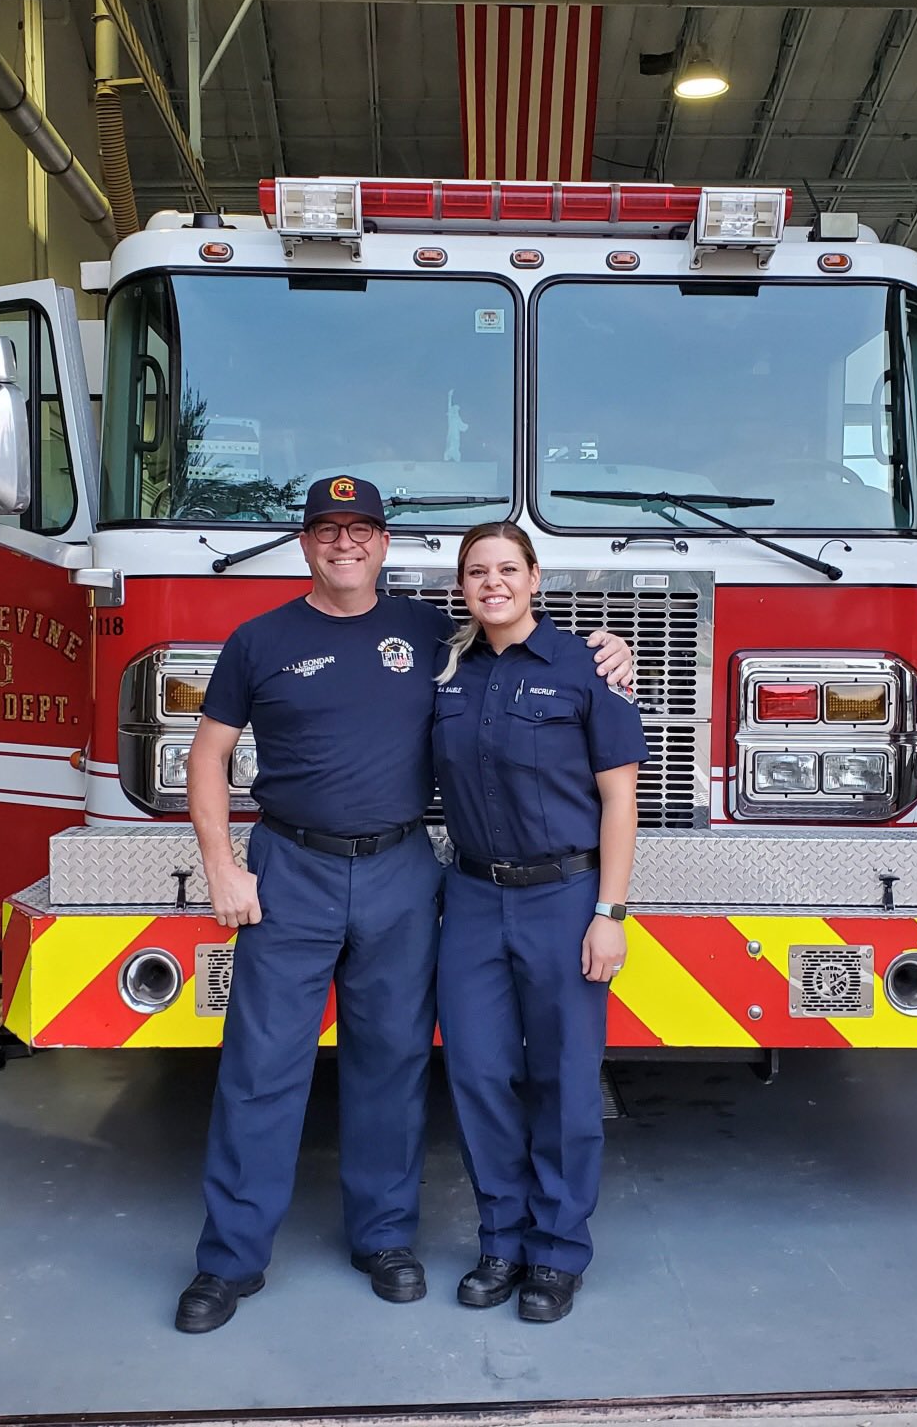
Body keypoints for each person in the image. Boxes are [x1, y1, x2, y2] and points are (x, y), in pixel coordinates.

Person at [175, 477, 631, 1334]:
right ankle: (229, 1262)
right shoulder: (258, 640)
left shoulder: (431, 634)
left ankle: (383, 1239)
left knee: (390, 1067)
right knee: (260, 1070)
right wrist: (222, 868)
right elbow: (209, 759)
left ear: (385, 544)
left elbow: (521, 644)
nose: (344, 543)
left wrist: (606, 650)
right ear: (305, 543)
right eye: (327, 530)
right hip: (289, 872)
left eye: (361, 530)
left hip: (401, 874)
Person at [431, 522, 649, 1324]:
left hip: (564, 898)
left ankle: (557, 1254)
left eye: (507, 569)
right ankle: (501, 1241)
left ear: (535, 577)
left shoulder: (586, 668)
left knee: (563, 1082)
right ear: (463, 587)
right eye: (477, 572)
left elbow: (620, 801)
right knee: (480, 1076)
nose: (493, 583)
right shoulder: (445, 669)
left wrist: (610, 914)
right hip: (474, 899)